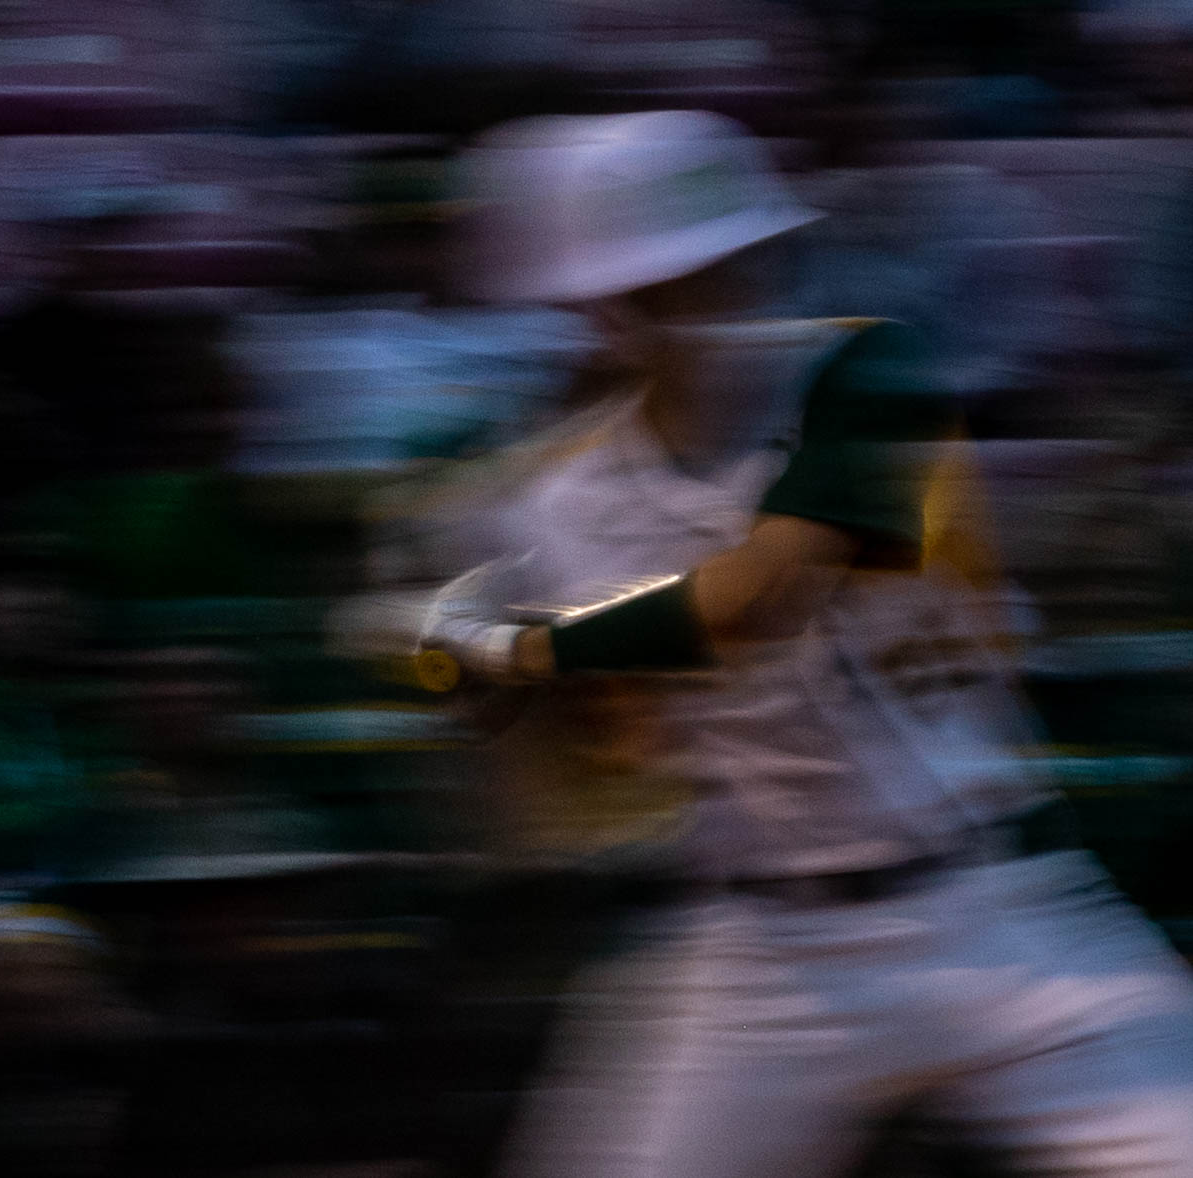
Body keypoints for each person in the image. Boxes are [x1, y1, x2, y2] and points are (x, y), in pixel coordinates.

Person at [382, 111, 1193, 1177]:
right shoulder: (537, 508)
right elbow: (561, 796)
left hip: (1001, 913)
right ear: (600, 313)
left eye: (741, 257)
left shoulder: (863, 371)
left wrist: (514, 651)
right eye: (683, 279)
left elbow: (757, 596)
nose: (733, 288)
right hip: (760, 951)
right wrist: (470, 686)